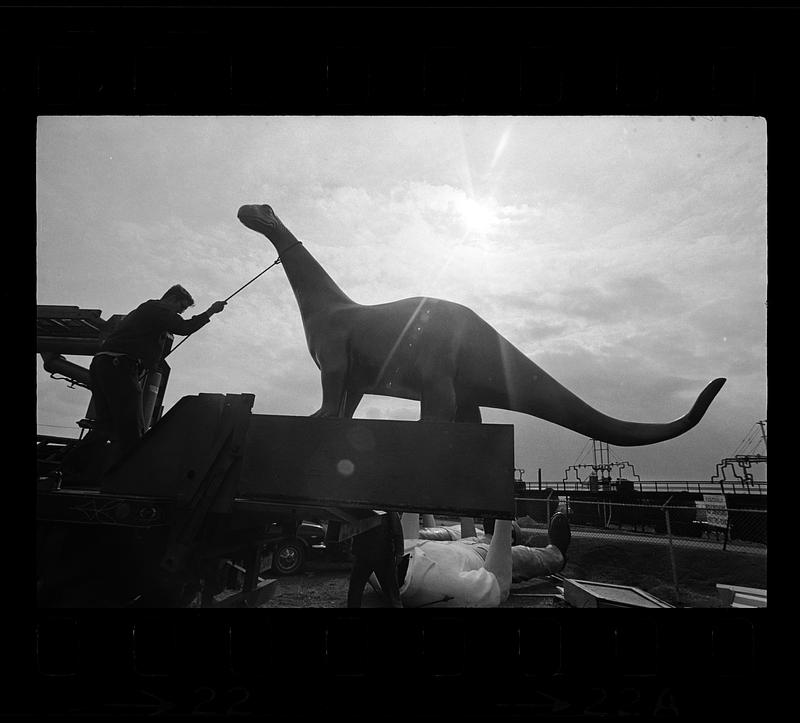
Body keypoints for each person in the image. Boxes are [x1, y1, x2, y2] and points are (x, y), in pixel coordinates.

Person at [87, 284, 226, 471]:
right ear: (171, 299)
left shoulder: (146, 311)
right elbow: (184, 327)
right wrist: (210, 312)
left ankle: (70, 470)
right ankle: (131, 474)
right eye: (181, 308)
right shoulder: (157, 309)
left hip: (102, 363)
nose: (179, 313)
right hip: (119, 365)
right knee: (131, 423)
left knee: (106, 424)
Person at [385, 512, 571, 608]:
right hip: (480, 552)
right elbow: (497, 586)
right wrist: (502, 515)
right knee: (524, 555)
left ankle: (554, 553)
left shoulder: (395, 559)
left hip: (462, 549)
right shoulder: (444, 584)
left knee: (519, 554)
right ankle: (556, 553)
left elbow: (401, 541)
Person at [347, 510, 405, 608]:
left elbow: (397, 530)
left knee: (391, 593)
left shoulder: (387, 508)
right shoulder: (361, 507)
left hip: (383, 556)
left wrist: (399, 552)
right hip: (364, 556)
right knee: (355, 592)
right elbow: (350, 528)